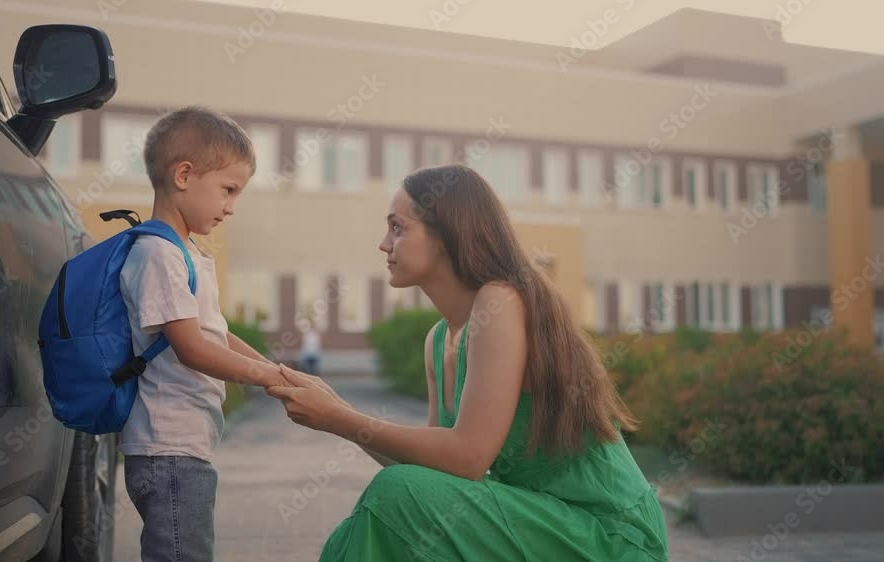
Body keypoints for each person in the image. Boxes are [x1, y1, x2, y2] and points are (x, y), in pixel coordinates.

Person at [268, 164, 669, 561]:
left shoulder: (500, 302)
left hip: (610, 536)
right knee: (404, 494)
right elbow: (436, 471)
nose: (384, 244)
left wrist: (341, 419)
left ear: (447, 235)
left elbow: (469, 456)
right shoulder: (439, 340)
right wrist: (342, 413)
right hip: (542, 523)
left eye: (398, 227)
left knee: (396, 493)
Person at [118, 106, 291, 562]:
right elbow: (193, 348)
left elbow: (216, 333)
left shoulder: (182, 252)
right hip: (167, 446)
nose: (231, 207)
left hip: (183, 446)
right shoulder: (158, 255)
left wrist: (277, 372)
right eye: (228, 190)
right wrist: (263, 376)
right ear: (184, 175)